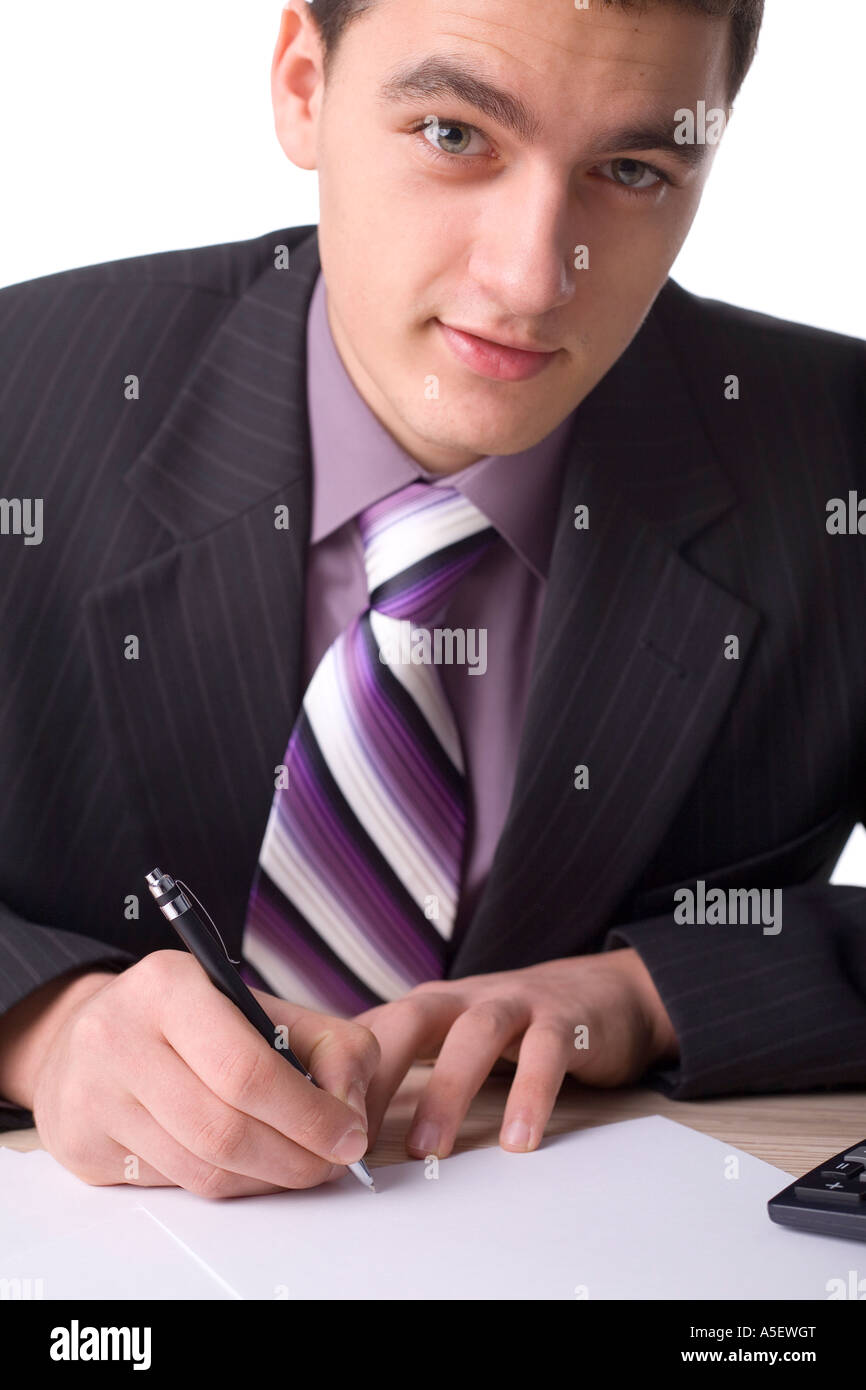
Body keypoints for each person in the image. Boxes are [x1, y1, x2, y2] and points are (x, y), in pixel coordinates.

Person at [1, 0, 863, 1201]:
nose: (528, 277)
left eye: (630, 168)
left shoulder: (836, 454)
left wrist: (649, 991)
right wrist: (41, 1025)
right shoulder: (19, 399)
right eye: (455, 134)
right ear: (304, 85)